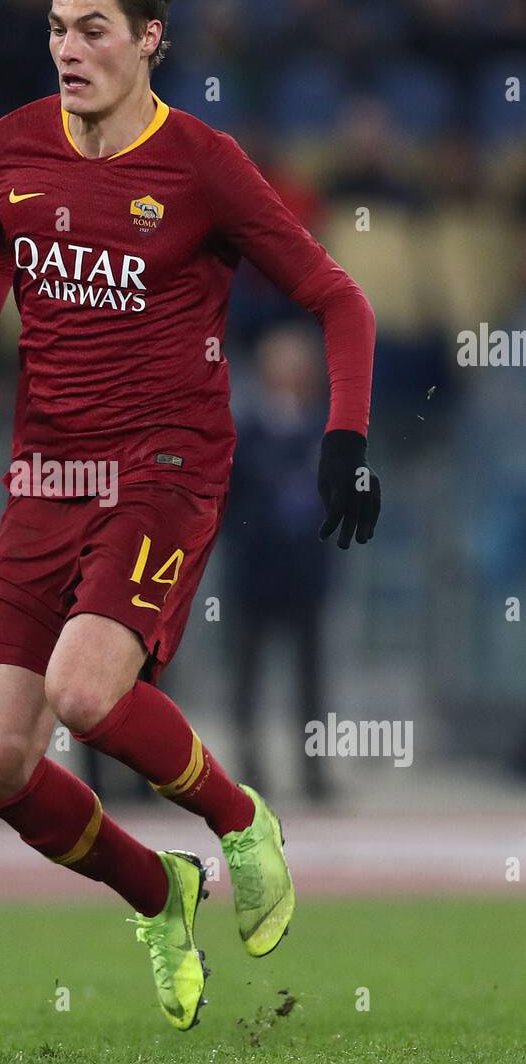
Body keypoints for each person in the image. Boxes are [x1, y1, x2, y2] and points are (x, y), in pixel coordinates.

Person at [0, 0, 381, 1031]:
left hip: (164, 465)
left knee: (84, 692)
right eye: (55, 29)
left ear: (149, 39)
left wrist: (345, 438)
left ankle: (240, 820)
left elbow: (339, 298)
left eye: (91, 30)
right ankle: (154, 890)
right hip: (46, 474)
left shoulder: (203, 164)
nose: (67, 50)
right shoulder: (11, 147)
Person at [223, 325, 333, 802]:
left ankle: (313, 772)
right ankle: (251, 770)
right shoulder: (245, 432)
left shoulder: (324, 429)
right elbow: (230, 504)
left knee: (310, 679)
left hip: (306, 574)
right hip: (255, 574)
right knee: (248, 677)